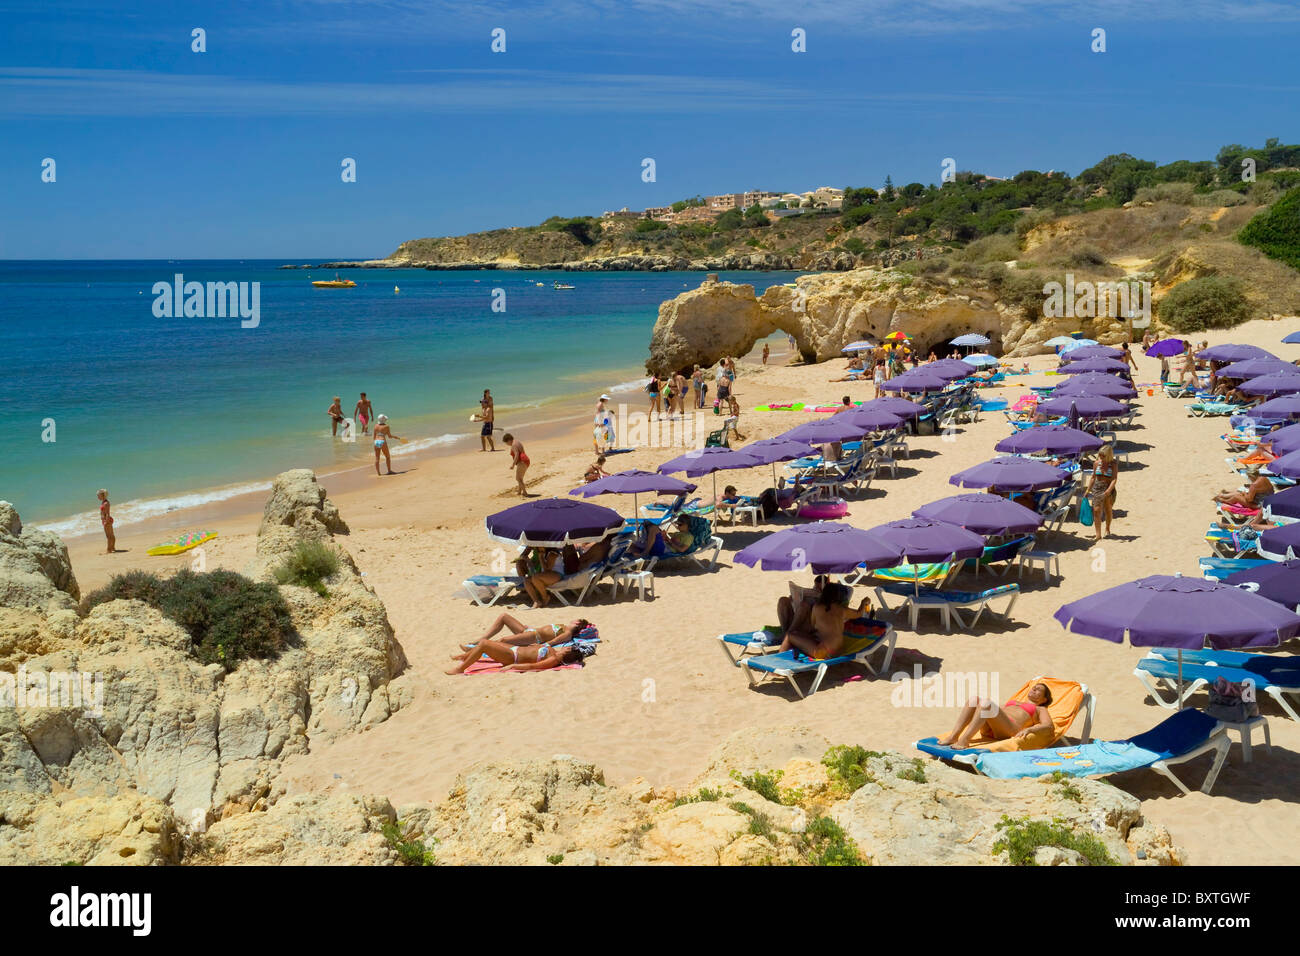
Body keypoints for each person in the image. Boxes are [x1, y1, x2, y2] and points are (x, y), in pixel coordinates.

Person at [936, 682, 1054, 749]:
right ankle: (954, 736)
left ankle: (964, 740)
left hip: (1010, 729)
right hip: (993, 727)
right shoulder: (1016, 701)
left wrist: (1029, 729)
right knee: (974, 699)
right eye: (1034, 687)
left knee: (987, 703)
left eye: (1038, 690)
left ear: (1044, 699)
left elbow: (1048, 725)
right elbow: (994, 711)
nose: (1034, 689)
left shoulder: (1040, 708)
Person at [776, 582, 863, 660]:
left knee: (790, 636)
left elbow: (813, 626)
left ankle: (777, 668)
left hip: (823, 653)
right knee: (810, 638)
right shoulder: (842, 610)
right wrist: (864, 602)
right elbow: (859, 613)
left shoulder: (817, 608)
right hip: (838, 652)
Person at [445, 638, 584, 675]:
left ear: (567, 652)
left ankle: (460, 668)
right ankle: (465, 656)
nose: (566, 646)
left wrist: (513, 666)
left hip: (513, 657)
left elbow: (533, 666)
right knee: (494, 643)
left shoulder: (554, 660)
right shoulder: (554, 652)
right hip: (515, 650)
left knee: (484, 645)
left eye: (568, 647)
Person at [466, 613, 594, 649]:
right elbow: (546, 630)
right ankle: (481, 640)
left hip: (534, 638)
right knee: (503, 616)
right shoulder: (564, 627)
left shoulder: (567, 634)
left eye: (576, 619)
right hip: (530, 631)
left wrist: (539, 646)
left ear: (577, 623)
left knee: (503, 640)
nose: (573, 618)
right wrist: (530, 628)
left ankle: (479, 647)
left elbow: (553, 642)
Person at [1084, 445, 1117, 541]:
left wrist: (1108, 491)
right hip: (1097, 489)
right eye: (1100, 455)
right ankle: (1098, 535)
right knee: (1096, 511)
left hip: (1108, 490)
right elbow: (1093, 478)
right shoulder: (1096, 463)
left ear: (1108, 455)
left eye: (1103, 456)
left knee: (1108, 510)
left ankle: (1107, 528)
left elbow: (1114, 479)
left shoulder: (1113, 464)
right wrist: (1088, 490)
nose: (1101, 457)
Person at [630, 514, 695, 559]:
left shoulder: (689, 536)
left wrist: (670, 542)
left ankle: (645, 552)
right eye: (677, 524)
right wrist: (664, 535)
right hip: (660, 546)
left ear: (687, 525)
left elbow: (682, 550)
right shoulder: (677, 533)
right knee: (631, 544)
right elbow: (666, 538)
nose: (677, 526)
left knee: (653, 528)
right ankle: (639, 554)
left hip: (665, 549)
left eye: (680, 524)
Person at [97, 489, 116, 554]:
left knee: (109, 536)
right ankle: (112, 547)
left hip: (107, 520)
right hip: (105, 520)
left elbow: (107, 513)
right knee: (111, 535)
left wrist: (106, 521)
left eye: (98, 496)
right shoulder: (103, 502)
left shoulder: (106, 503)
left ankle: (109, 549)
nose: (98, 497)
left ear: (102, 495)